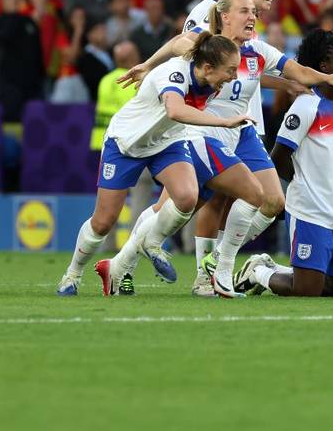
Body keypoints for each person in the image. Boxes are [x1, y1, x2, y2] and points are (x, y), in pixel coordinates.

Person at [118, 0, 333, 296]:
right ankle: (125, 263)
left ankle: (220, 263)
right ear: (224, 16)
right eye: (244, 11)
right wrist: (148, 65)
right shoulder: (207, 46)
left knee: (273, 201)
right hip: (204, 132)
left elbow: (298, 71)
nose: (252, 16)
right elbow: (177, 43)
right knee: (176, 207)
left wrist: (324, 77)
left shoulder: (258, 51)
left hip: (241, 132)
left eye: (253, 11)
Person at [55, 31, 252, 297]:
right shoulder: (176, 74)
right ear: (207, 67)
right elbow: (175, 110)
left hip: (167, 142)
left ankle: (153, 243)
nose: (234, 76)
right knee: (103, 222)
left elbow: (176, 42)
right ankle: (73, 273)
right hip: (126, 143)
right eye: (230, 70)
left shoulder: (205, 60)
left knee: (187, 197)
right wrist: (225, 121)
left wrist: (147, 63)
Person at [235, 29, 333, 297]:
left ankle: (290, 269)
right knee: (307, 291)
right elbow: (279, 157)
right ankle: (258, 272)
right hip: (310, 212)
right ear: (323, 67)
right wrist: (305, 187)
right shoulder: (306, 106)